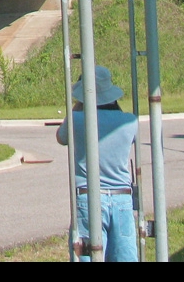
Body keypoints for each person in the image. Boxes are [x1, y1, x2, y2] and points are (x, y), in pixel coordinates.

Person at [56, 65, 139, 262]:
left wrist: (79, 104)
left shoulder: (77, 120)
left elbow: (61, 137)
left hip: (88, 196)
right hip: (122, 197)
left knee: (87, 256)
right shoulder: (129, 121)